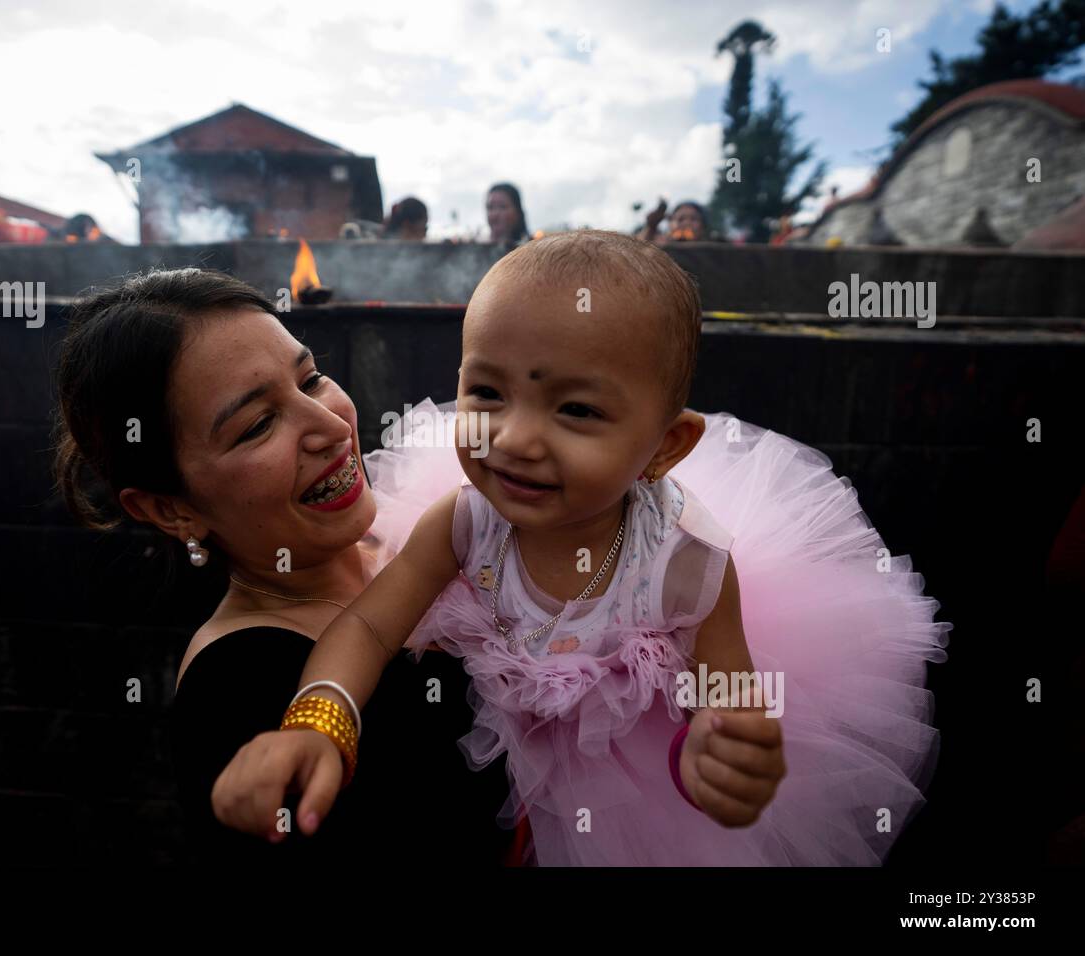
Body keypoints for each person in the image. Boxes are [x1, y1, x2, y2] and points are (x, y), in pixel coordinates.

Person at [210, 230, 951, 866]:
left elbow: (729, 692)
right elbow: (369, 625)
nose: (516, 438)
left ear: (666, 446)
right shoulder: (464, 521)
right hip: (503, 748)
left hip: (626, 766)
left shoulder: (692, 566)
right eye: (488, 393)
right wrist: (318, 720)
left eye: (576, 409)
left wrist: (722, 750)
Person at [51, 268, 515, 865]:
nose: (330, 426)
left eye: (311, 378)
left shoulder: (427, 516)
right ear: (170, 508)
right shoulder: (245, 691)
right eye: (259, 425)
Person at [636, 198, 718, 244]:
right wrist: (651, 227)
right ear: (670, 224)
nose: (686, 223)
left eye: (693, 219)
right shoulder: (660, 245)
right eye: (680, 219)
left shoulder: (715, 248)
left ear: (703, 227)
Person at [486, 182, 529, 246]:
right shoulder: (476, 249)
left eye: (502, 207)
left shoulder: (532, 250)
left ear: (517, 212)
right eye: (490, 207)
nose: (494, 214)